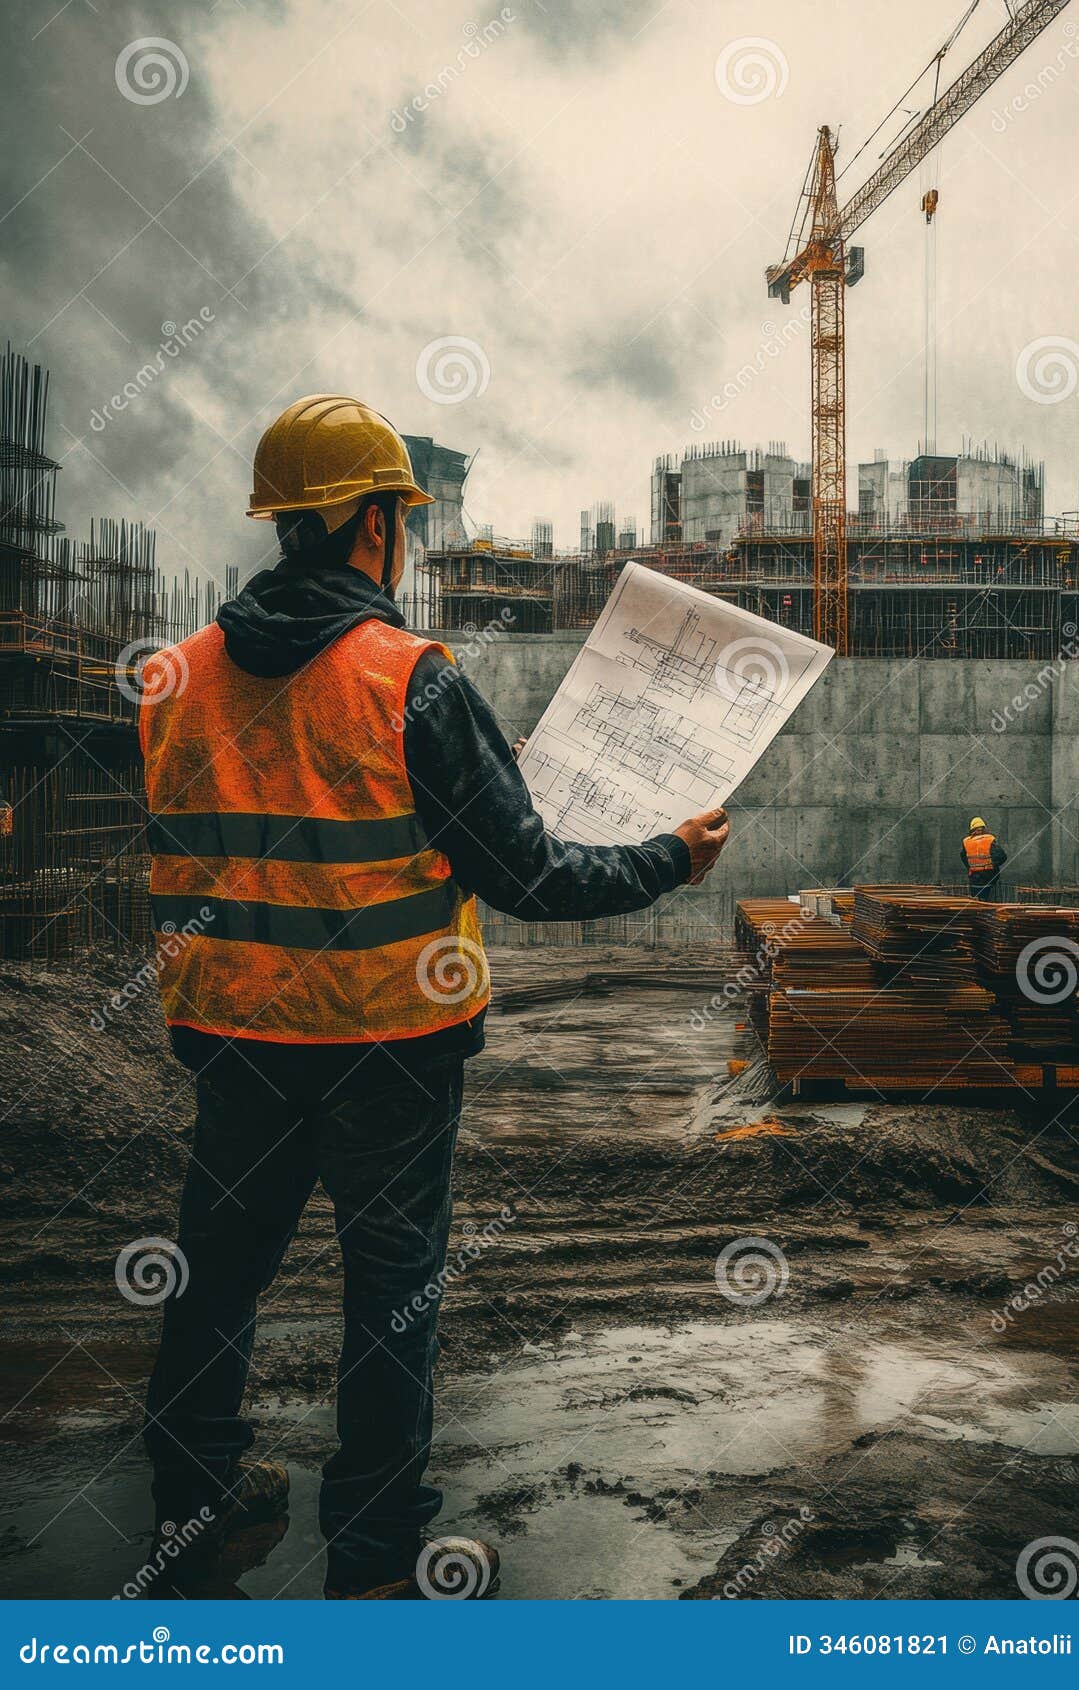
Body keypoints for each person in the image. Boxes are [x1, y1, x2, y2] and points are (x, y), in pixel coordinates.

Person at [138, 394, 730, 1600]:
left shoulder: (176, 677)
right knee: (390, 1292)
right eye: (399, 514)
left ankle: (191, 1501)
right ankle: (372, 1555)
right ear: (372, 523)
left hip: (233, 1033)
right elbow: (532, 875)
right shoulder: (407, 680)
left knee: (216, 1268)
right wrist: (670, 856)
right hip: (386, 1047)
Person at [960, 815, 1007, 901]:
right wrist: (992, 865)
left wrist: (970, 867)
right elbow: (1002, 856)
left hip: (975, 878)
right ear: (984, 828)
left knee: (976, 901)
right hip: (989, 876)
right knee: (989, 900)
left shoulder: (966, 842)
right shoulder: (990, 839)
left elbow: (963, 857)